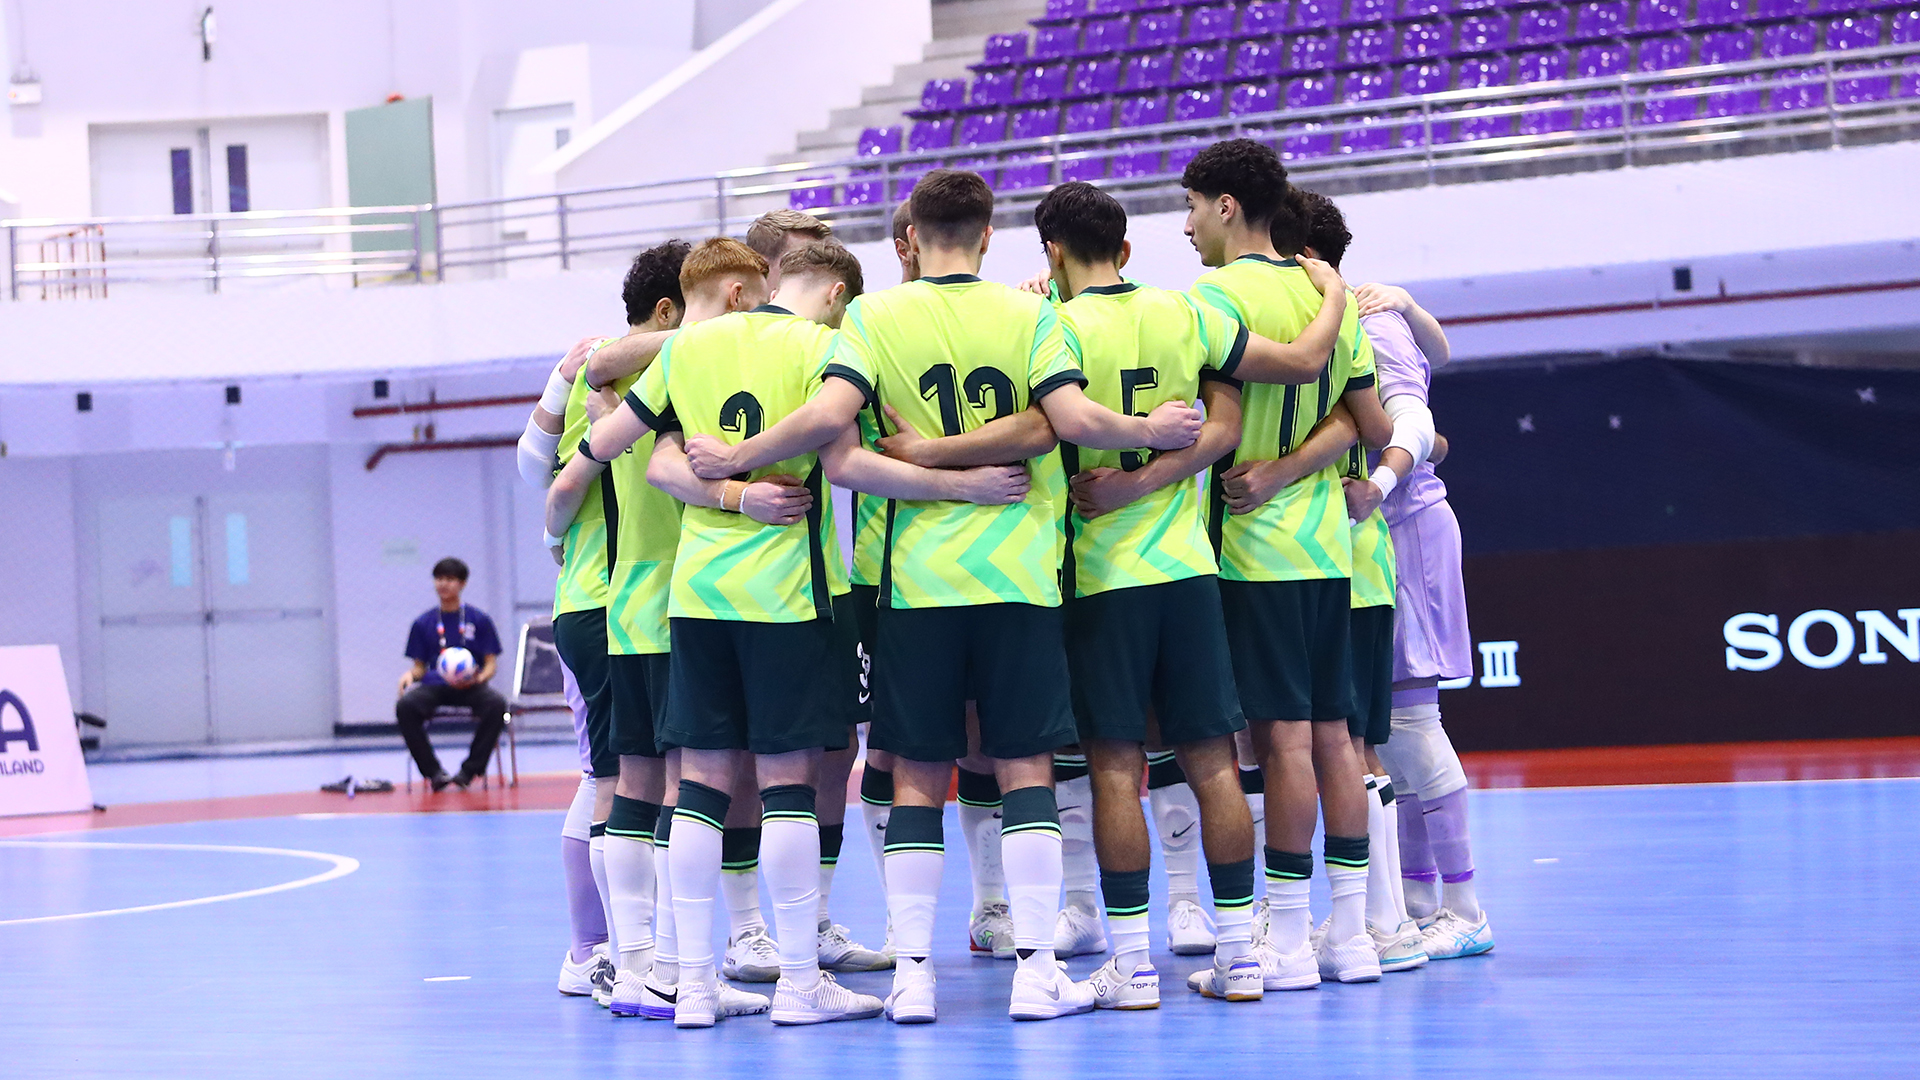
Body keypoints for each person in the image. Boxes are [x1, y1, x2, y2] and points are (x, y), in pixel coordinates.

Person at [806, 169, 1204, 1023]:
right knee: (1025, 767)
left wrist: (930, 471)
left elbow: (839, 459)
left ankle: (913, 978)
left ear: (911, 236)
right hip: (1021, 577)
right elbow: (1063, 420)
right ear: (989, 237)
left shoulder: (872, 317)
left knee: (917, 775)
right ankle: (1034, 972)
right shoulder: (1034, 315)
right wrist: (1147, 432)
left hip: (916, 583)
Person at [1027, 182, 1351, 1006]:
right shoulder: (1185, 311)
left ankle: (1133, 966)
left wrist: (1126, 472)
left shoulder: (1052, 325)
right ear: (1127, 249)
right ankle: (1242, 954)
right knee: (1211, 760)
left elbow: (1054, 425)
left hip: (1101, 576)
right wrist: (1337, 292)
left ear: (1054, 254)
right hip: (1191, 570)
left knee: (1112, 768)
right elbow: (1278, 385)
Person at [1182, 139, 1392, 989]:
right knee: (1337, 736)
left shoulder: (1209, 298)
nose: (1186, 223)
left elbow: (1214, 426)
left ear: (1228, 205)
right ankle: (1352, 938)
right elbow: (1371, 425)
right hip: (1327, 551)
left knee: (1283, 745)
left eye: (1192, 204)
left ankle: (1291, 942)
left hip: (1250, 549)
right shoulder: (1320, 294)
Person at [1288, 191, 1434, 973]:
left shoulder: (1353, 325)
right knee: (1350, 745)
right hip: (1351, 566)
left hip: (1334, 562)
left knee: (1347, 745)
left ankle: (1384, 926)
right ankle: (1384, 923)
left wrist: (1377, 480)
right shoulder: (1341, 323)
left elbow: (1407, 423)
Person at [1346, 269, 1495, 964]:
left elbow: (1419, 418)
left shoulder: (1370, 318)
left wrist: (1403, 301)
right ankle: (1418, 904)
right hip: (1373, 539)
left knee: (1412, 721)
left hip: (1406, 529)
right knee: (1394, 736)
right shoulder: (1335, 319)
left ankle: (1466, 910)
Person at [516, 332, 613, 999]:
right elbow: (536, 470)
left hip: (633, 604)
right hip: (599, 605)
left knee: (631, 776)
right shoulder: (601, 372)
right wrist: (560, 375)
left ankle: (619, 946)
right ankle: (592, 948)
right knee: (607, 774)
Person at [395, 558, 507, 792]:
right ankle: (434, 773)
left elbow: (490, 664)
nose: (443, 584)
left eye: (450, 579)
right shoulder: (423, 623)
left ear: (462, 583)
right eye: (439, 579)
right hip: (436, 685)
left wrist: (480, 678)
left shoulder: (479, 620)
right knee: (406, 706)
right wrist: (409, 676)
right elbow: (419, 667)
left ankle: (469, 771)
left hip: (471, 686)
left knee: (496, 704)